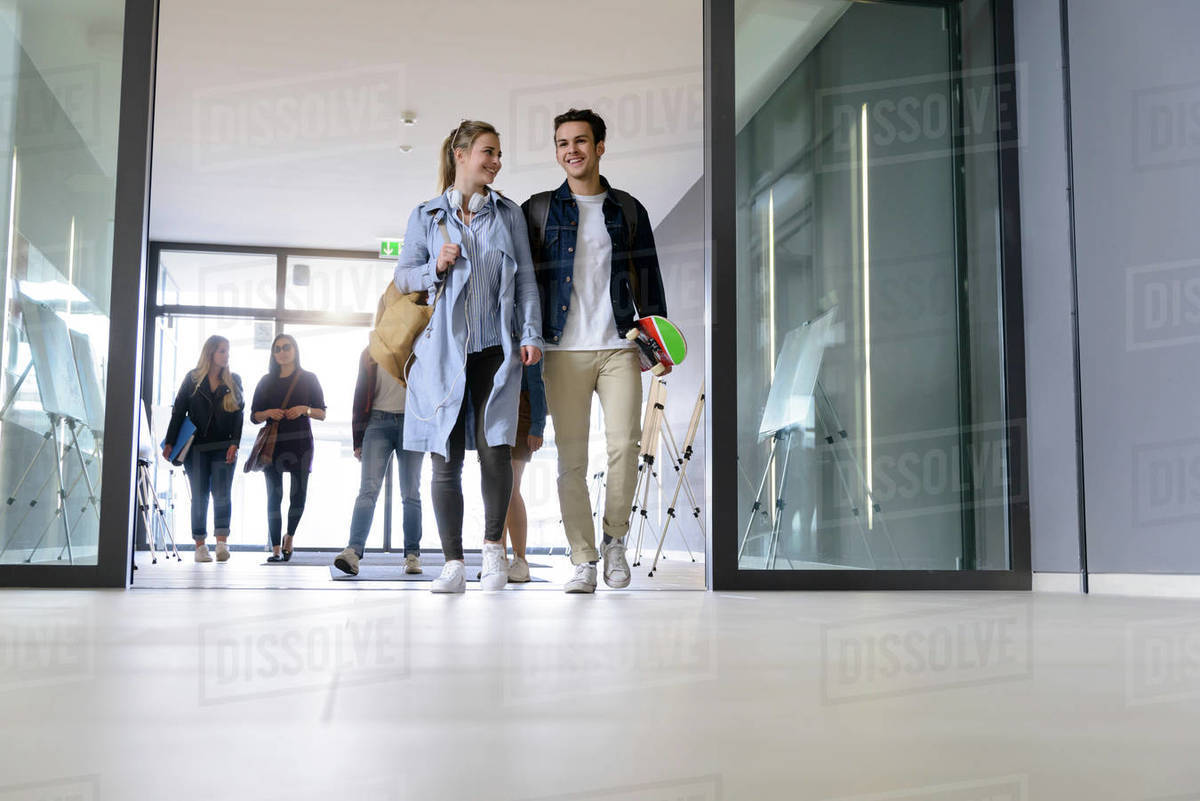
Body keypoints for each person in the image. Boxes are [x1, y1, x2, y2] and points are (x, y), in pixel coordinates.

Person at [522, 108, 669, 593]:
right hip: (561, 350)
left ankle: (614, 543)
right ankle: (583, 558)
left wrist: (658, 346)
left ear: (600, 147)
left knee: (626, 445)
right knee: (571, 458)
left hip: (618, 347)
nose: (572, 150)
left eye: (581, 141)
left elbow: (649, 280)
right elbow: (523, 282)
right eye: (563, 142)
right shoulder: (539, 210)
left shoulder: (628, 209)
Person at [394, 119, 543, 593]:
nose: (496, 162)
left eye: (498, 154)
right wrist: (434, 266)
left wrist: (532, 332)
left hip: (495, 350)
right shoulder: (426, 216)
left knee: (497, 447)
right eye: (488, 152)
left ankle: (493, 553)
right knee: (446, 456)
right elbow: (403, 278)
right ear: (461, 155)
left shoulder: (508, 214)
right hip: (443, 353)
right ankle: (453, 563)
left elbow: (524, 282)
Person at [333, 344, 425, 576]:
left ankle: (412, 555)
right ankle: (353, 552)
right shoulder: (371, 350)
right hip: (377, 421)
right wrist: (357, 439)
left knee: (411, 493)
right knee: (368, 490)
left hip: (413, 422)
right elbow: (360, 392)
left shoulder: (421, 346)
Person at [163, 335, 244, 563]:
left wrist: (234, 443)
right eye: (222, 351)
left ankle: (221, 544)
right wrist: (170, 441)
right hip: (197, 448)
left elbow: (239, 415)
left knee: (222, 494)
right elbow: (179, 411)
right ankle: (200, 546)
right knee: (199, 496)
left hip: (223, 446)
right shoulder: (193, 379)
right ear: (210, 353)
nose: (226, 355)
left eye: (227, 351)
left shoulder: (234, 380)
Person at [249, 334, 326, 561]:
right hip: (273, 445)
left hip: (301, 444)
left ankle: (289, 537)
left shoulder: (309, 378)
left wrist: (305, 409)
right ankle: (274, 548)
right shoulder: (266, 381)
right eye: (278, 349)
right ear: (273, 354)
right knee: (274, 496)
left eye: (287, 347)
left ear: (295, 350)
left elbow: (321, 412)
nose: (282, 352)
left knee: (298, 495)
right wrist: (269, 413)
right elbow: (254, 415)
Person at [502, 362, 546, 583]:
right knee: (493, 489)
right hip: (492, 406)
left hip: (521, 407)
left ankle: (520, 560)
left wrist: (538, 425)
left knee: (510, 487)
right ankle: (497, 558)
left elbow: (537, 380)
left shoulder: (523, 331)